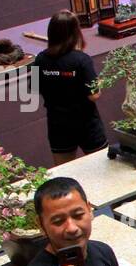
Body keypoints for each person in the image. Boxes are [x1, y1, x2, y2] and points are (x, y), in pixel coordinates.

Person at [35, 11, 107, 165]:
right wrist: (100, 82)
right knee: (102, 168)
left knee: (64, 172)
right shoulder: (81, 60)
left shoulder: (40, 59)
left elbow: (35, 89)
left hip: (58, 125)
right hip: (86, 124)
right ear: (75, 32)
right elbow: (93, 95)